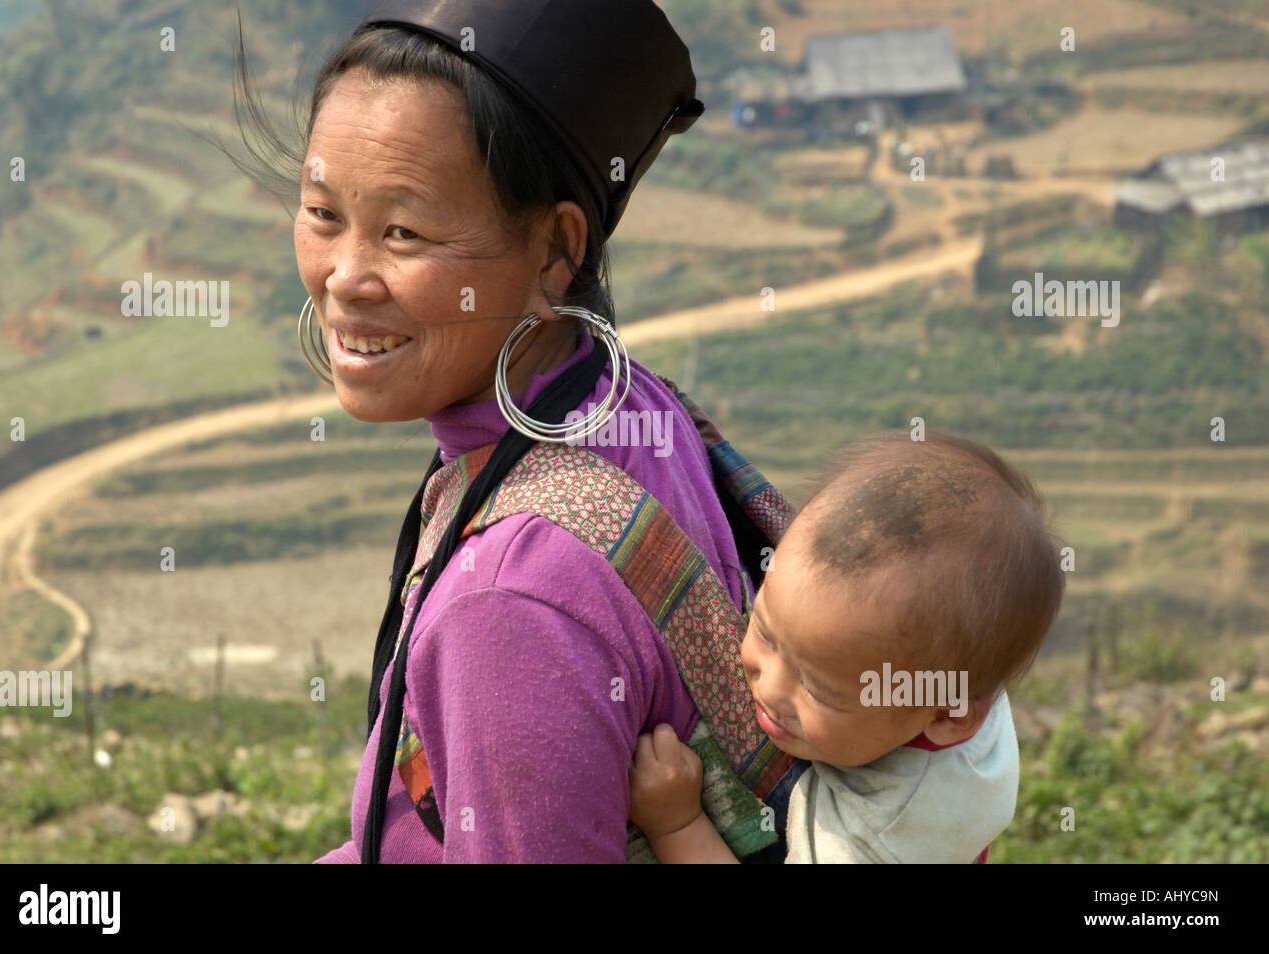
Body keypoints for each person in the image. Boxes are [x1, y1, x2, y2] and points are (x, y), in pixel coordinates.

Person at [223, 1, 802, 862]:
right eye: (322, 213)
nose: (344, 277)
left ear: (553, 252)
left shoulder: (510, 603)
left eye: (403, 231)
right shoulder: (630, 403)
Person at [628, 431, 1066, 863]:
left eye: (817, 689)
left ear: (950, 715)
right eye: (764, 631)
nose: (770, 687)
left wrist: (676, 824)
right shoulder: (945, 670)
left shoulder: (871, 838)